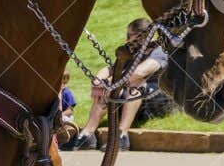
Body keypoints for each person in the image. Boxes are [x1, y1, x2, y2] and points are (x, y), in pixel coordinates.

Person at [69, 18, 162, 151]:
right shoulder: (132, 52)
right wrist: (99, 81)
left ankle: (121, 136)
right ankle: (86, 135)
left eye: (129, 36)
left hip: (156, 100)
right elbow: (110, 69)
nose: (126, 40)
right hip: (129, 100)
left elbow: (140, 73)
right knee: (105, 85)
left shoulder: (159, 51)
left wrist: (109, 83)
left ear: (143, 36)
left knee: (136, 83)